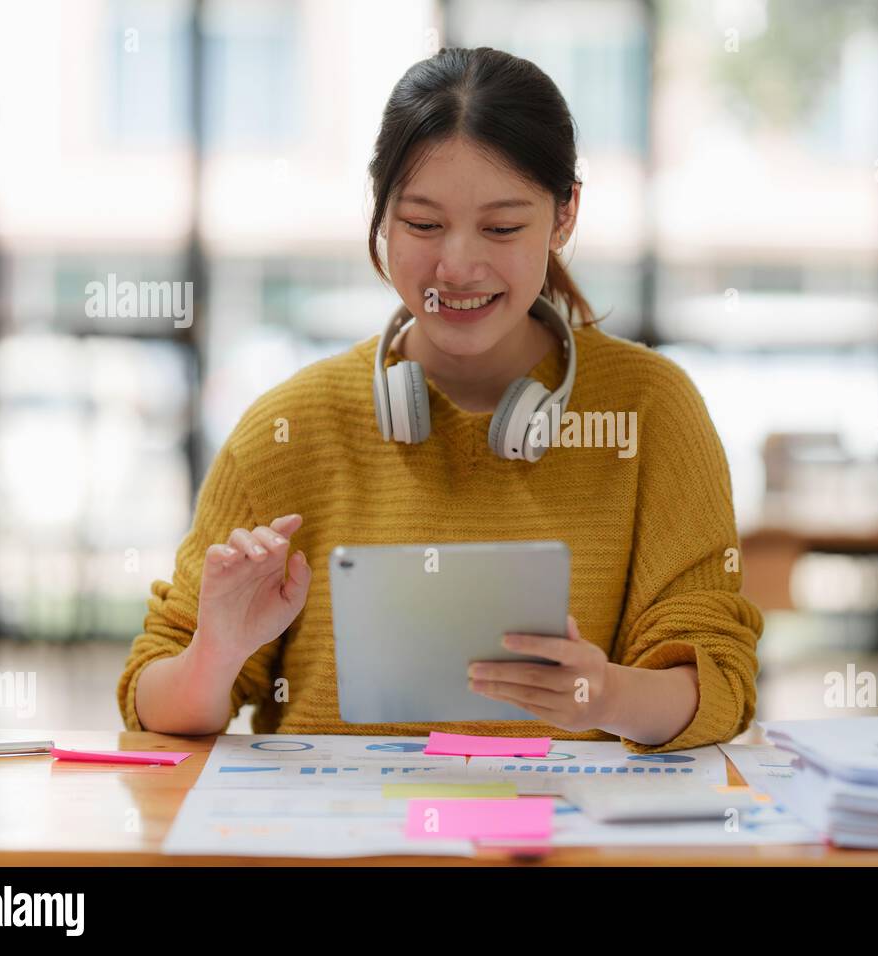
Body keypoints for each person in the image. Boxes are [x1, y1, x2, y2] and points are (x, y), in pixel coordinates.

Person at [117, 46, 762, 753]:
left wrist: (603, 695)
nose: (455, 266)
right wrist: (218, 650)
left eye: (502, 228)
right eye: (423, 224)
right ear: (382, 213)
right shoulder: (289, 427)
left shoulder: (652, 410)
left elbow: (720, 684)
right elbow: (154, 705)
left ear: (565, 215)